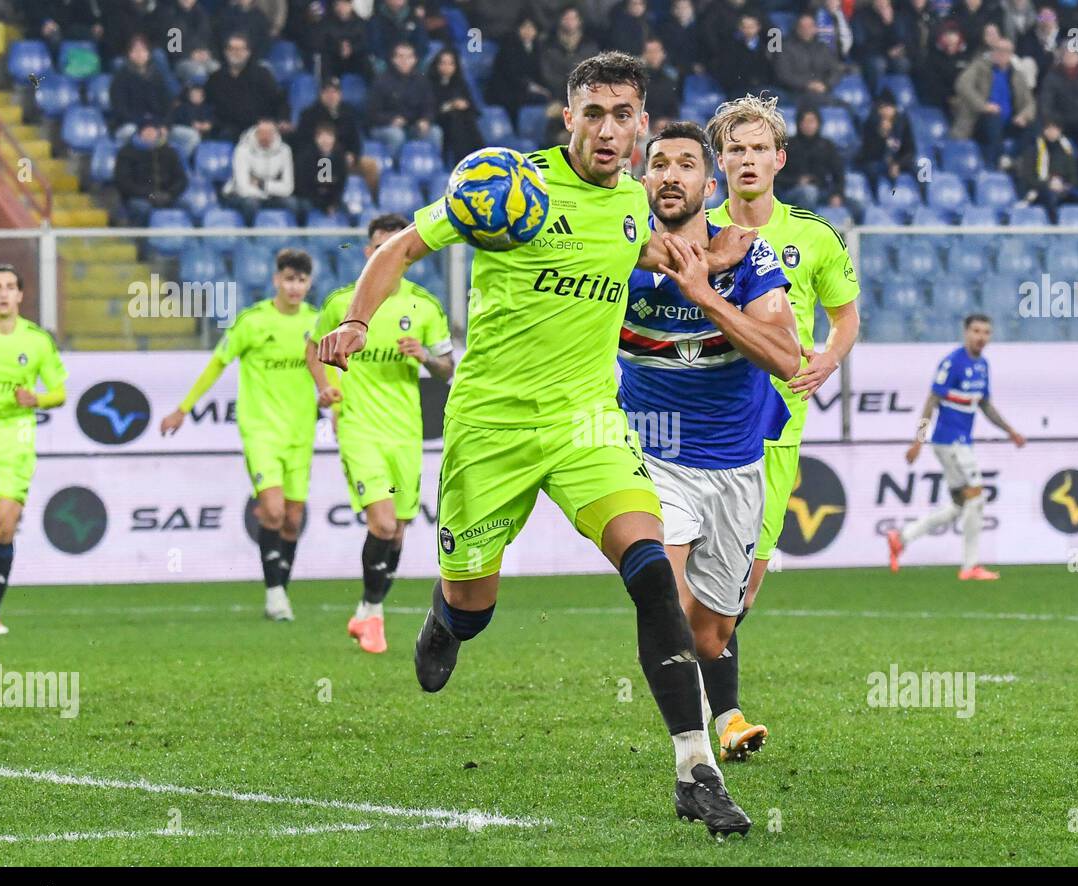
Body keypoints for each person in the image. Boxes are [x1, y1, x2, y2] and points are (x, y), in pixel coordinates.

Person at [316, 53, 759, 835]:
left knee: (653, 574)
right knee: (474, 607)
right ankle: (449, 617)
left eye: (624, 114)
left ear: (641, 124)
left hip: (588, 422)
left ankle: (696, 768)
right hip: (491, 425)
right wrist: (355, 321)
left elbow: (663, 252)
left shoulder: (631, 206)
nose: (609, 129)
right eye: (594, 113)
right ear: (569, 119)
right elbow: (399, 251)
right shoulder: (506, 187)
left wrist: (720, 257)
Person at [619, 121, 797, 766]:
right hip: (652, 452)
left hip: (736, 463)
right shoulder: (618, 255)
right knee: (659, 592)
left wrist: (705, 294)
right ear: (642, 180)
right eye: (657, 163)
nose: (669, 174)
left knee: (712, 632)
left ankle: (719, 712)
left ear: (708, 183)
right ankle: (694, 760)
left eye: (685, 164)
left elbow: (785, 355)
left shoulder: (750, 257)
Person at [706, 94, 861, 762]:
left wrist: (828, 358)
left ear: (779, 158)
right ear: (720, 159)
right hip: (704, 424)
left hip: (778, 428)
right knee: (695, 578)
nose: (746, 159)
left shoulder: (816, 236)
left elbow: (845, 316)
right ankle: (719, 718)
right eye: (735, 148)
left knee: (741, 591)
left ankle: (703, 683)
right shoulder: (692, 229)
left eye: (757, 148)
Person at [307, 214, 454, 654]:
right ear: (369, 252)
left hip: (405, 431)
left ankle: (369, 610)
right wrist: (325, 388)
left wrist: (426, 357)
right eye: (378, 246)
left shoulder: (425, 306)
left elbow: (448, 368)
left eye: (396, 245)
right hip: (358, 426)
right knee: (383, 522)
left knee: (399, 529)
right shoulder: (342, 303)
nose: (385, 253)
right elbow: (314, 347)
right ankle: (371, 613)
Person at [160, 250, 318, 622]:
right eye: (289, 279)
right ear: (276, 280)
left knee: (293, 519)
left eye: (302, 280)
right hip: (261, 430)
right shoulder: (252, 322)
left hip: (301, 430)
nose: (294, 287)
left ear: (308, 284)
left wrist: (340, 410)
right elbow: (218, 363)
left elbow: (329, 374)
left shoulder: (316, 323)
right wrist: (183, 408)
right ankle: (275, 594)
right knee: (274, 510)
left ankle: (280, 588)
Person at [888, 314, 1025, 581]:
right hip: (950, 442)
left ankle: (902, 538)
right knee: (977, 497)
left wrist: (1011, 431)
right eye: (976, 331)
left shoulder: (983, 365)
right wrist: (918, 439)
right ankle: (970, 566)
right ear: (965, 333)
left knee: (959, 506)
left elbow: (985, 404)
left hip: (960, 442)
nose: (981, 336)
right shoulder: (952, 363)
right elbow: (931, 400)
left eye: (986, 332)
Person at [0, 264, 68, 636]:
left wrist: (37, 398)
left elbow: (60, 393)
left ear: (20, 296)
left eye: (10, 287)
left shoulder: (36, 340)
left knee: (5, 525)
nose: (3, 293)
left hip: (16, 437)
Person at [952, 37, 1036, 168]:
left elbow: (1030, 103)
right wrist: (984, 106)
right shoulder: (979, 67)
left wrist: (1024, 115)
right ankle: (995, 163)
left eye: (1005, 51)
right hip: (981, 120)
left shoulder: (1017, 75)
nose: (1000, 53)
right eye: (997, 50)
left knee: (1033, 126)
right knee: (994, 119)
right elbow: (962, 85)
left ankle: (1011, 158)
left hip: (1009, 121)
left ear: (1011, 54)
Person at [204, 32, 284, 141]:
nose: (235, 53)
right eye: (231, 49)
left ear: (248, 52)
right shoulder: (215, 78)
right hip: (225, 130)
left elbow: (278, 100)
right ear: (225, 52)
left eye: (240, 49)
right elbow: (208, 105)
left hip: (257, 129)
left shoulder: (262, 75)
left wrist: (274, 121)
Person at [114, 116, 188, 226]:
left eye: (153, 130)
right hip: (140, 197)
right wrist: (150, 195)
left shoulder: (169, 152)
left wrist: (170, 194)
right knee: (142, 208)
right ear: (140, 132)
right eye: (146, 130)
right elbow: (123, 182)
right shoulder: (127, 152)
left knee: (186, 206)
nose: (150, 133)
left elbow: (181, 178)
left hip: (166, 195)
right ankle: (142, 240)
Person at [367, 42, 438, 154]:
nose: (405, 61)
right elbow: (372, 113)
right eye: (400, 57)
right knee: (396, 135)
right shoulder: (381, 81)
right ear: (393, 59)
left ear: (414, 60)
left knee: (435, 132)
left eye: (409, 57)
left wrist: (426, 119)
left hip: (413, 125)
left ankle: (434, 165)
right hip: (386, 126)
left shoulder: (422, 81)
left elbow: (429, 106)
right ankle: (395, 168)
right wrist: (391, 119)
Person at [223, 119, 298, 222]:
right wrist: (268, 191)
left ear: (275, 134)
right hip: (241, 195)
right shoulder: (242, 150)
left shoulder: (285, 150)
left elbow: (288, 188)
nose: (266, 137)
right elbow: (243, 188)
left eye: (269, 133)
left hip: (271, 194)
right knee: (251, 203)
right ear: (256, 133)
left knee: (293, 203)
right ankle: (249, 234)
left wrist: (261, 184)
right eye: (262, 133)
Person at [1014, 116, 1078, 222]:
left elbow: (1073, 174)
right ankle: (1055, 230)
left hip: (1063, 188)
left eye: (1055, 129)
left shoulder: (1067, 149)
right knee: (1051, 198)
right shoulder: (1033, 149)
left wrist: (1064, 185)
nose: (1052, 132)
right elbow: (1027, 177)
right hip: (1040, 190)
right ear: (1044, 130)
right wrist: (1048, 184)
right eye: (1049, 129)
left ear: (1060, 131)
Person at [486, 15, 551, 130]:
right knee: (538, 98)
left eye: (531, 28)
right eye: (524, 27)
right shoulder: (509, 46)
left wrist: (544, 88)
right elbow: (511, 74)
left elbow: (539, 74)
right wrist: (532, 87)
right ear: (518, 29)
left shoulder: (536, 47)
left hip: (523, 89)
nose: (527, 31)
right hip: (506, 90)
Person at [782, 107, 851, 212]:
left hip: (821, 191)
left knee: (857, 206)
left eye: (812, 121)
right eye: (805, 121)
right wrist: (796, 181)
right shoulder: (788, 146)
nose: (808, 125)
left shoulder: (827, 145)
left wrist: (837, 194)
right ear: (799, 123)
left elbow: (839, 175)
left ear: (818, 123)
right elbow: (776, 177)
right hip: (791, 191)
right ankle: (806, 227)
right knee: (809, 192)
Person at [775, 13, 848, 110]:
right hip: (797, 94)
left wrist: (826, 84)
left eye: (810, 26)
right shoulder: (785, 48)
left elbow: (835, 70)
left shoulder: (823, 48)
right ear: (797, 28)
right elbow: (784, 75)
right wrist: (808, 85)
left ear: (815, 28)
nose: (806, 29)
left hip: (823, 90)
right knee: (834, 104)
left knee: (845, 107)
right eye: (803, 26)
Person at [427, 48, 484, 165]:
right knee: (455, 117)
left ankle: (480, 156)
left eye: (450, 63)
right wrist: (450, 105)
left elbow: (474, 108)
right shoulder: (429, 83)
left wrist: (464, 105)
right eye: (443, 63)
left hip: (461, 120)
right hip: (440, 119)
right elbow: (430, 108)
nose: (447, 67)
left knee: (465, 117)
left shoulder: (460, 82)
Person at [108, 35, 171, 139]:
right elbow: (120, 110)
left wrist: (164, 125)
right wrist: (144, 126)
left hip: (156, 124)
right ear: (129, 54)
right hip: (130, 124)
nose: (139, 54)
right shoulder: (120, 77)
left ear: (149, 54)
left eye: (143, 51)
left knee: (189, 136)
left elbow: (167, 106)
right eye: (135, 51)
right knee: (130, 131)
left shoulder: (158, 76)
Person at [857, 89, 916, 190]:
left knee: (920, 170)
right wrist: (882, 135)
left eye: (889, 107)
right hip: (876, 162)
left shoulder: (903, 123)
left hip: (897, 161)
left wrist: (898, 164)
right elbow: (868, 153)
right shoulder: (870, 123)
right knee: (872, 169)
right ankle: (876, 198)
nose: (885, 111)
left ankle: (923, 199)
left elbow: (910, 150)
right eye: (882, 108)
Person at [293, 121, 349, 217]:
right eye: (322, 136)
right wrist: (323, 204)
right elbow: (303, 185)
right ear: (316, 139)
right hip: (310, 198)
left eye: (329, 136)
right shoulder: (305, 157)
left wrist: (332, 203)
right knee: (304, 207)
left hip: (331, 198)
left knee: (348, 211)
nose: (325, 140)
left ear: (334, 139)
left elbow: (341, 184)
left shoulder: (340, 157)